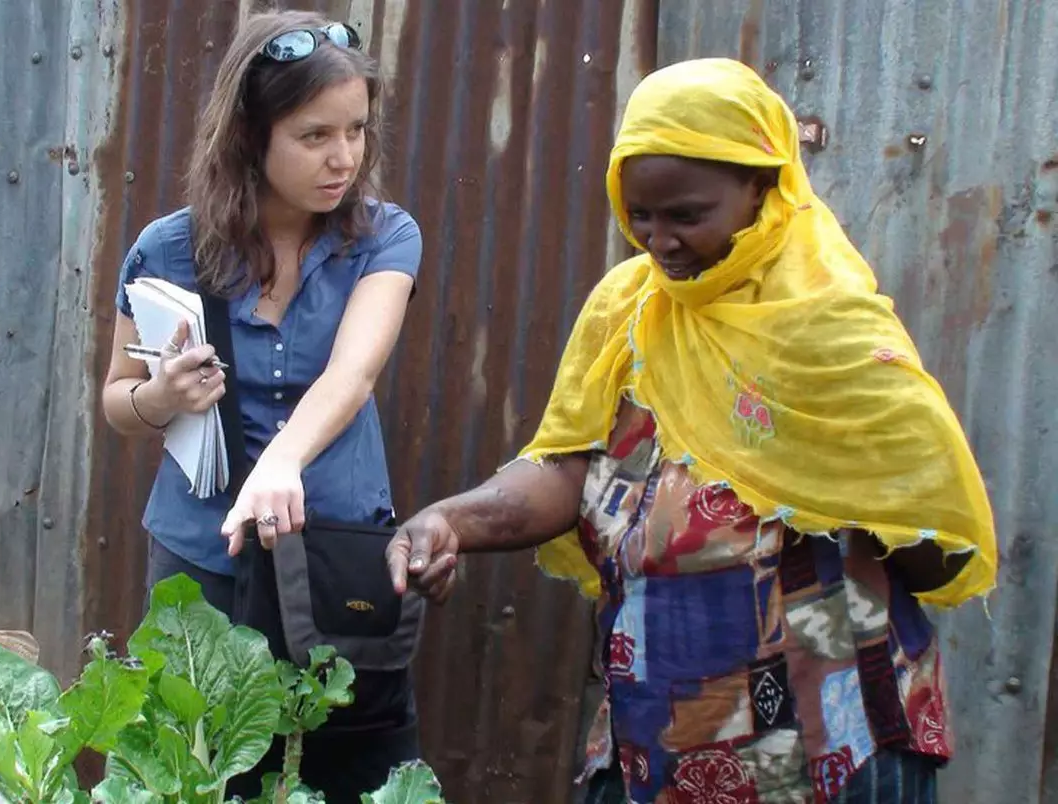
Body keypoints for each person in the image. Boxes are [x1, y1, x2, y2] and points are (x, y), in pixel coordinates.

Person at [386, 59, 998, 803]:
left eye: (686, 215)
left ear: (764, 191)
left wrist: (831, 485)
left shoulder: (828, 327)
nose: (659, 241)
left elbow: (930, 533)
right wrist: (451, 520)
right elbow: (566, 468)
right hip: (656, 735)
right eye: (640, 215)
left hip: (830, 743)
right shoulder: (630, 311)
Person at [102, 10, 422, 801]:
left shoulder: (383, 237)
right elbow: (115, 402)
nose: (343, 157)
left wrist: (280, 460)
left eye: (356, 130)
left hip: (338, 553)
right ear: (251, 133)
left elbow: (353, 374)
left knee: (352, 772)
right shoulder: (168, 249)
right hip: (203, 559)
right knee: (200, 772)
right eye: (314, 135)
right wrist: (160, 396)